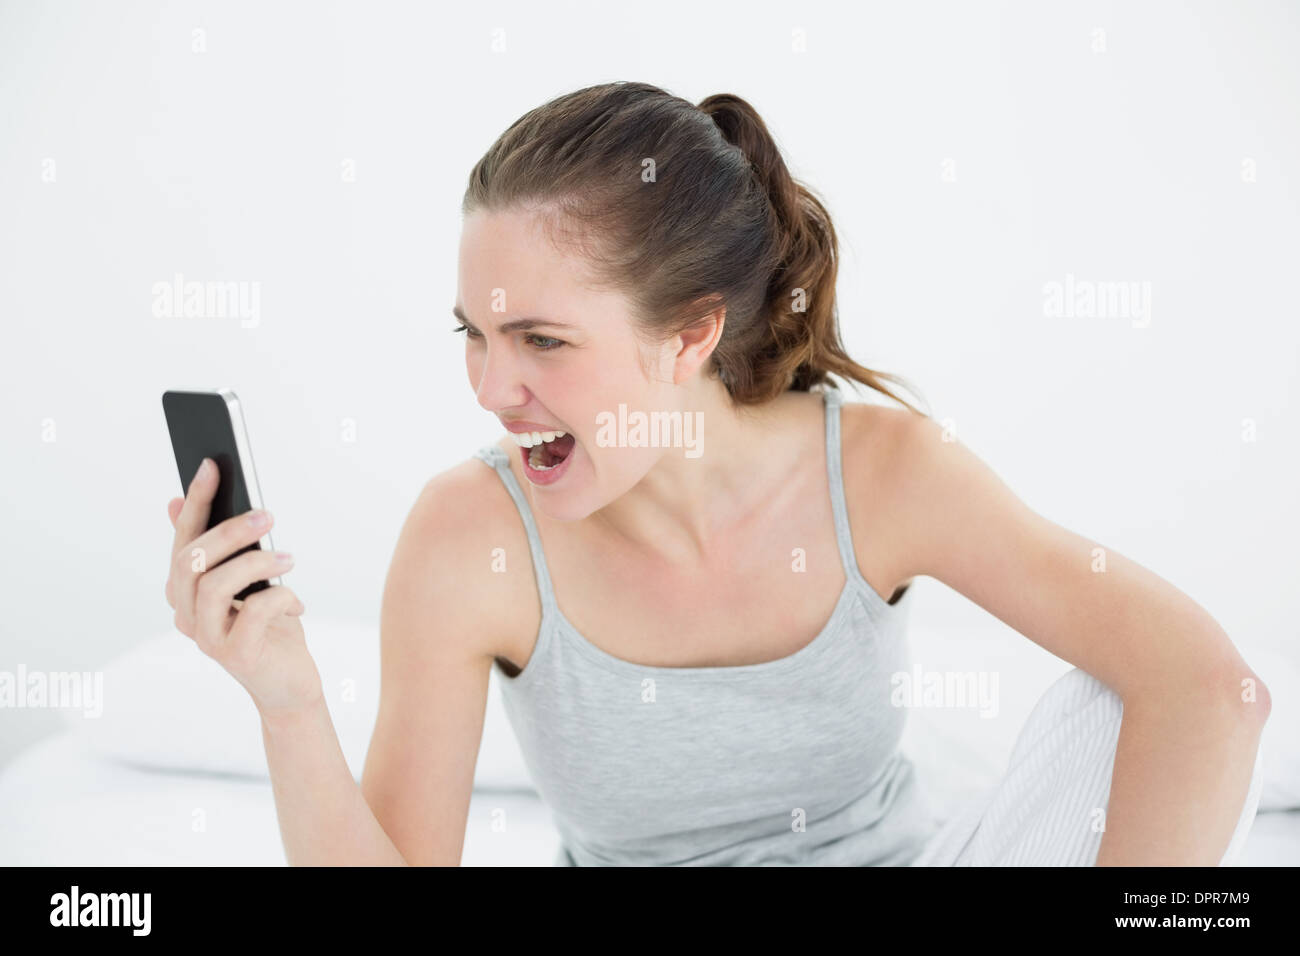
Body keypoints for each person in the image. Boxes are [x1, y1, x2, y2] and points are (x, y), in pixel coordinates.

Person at [163, 81, 1269, 866]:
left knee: (1120, 698)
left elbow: (1217, 691)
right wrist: (289, 700)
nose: (492, 390)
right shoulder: (470, 537)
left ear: (688, 336)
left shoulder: (884, 473)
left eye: (543, 341)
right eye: (474, 333)